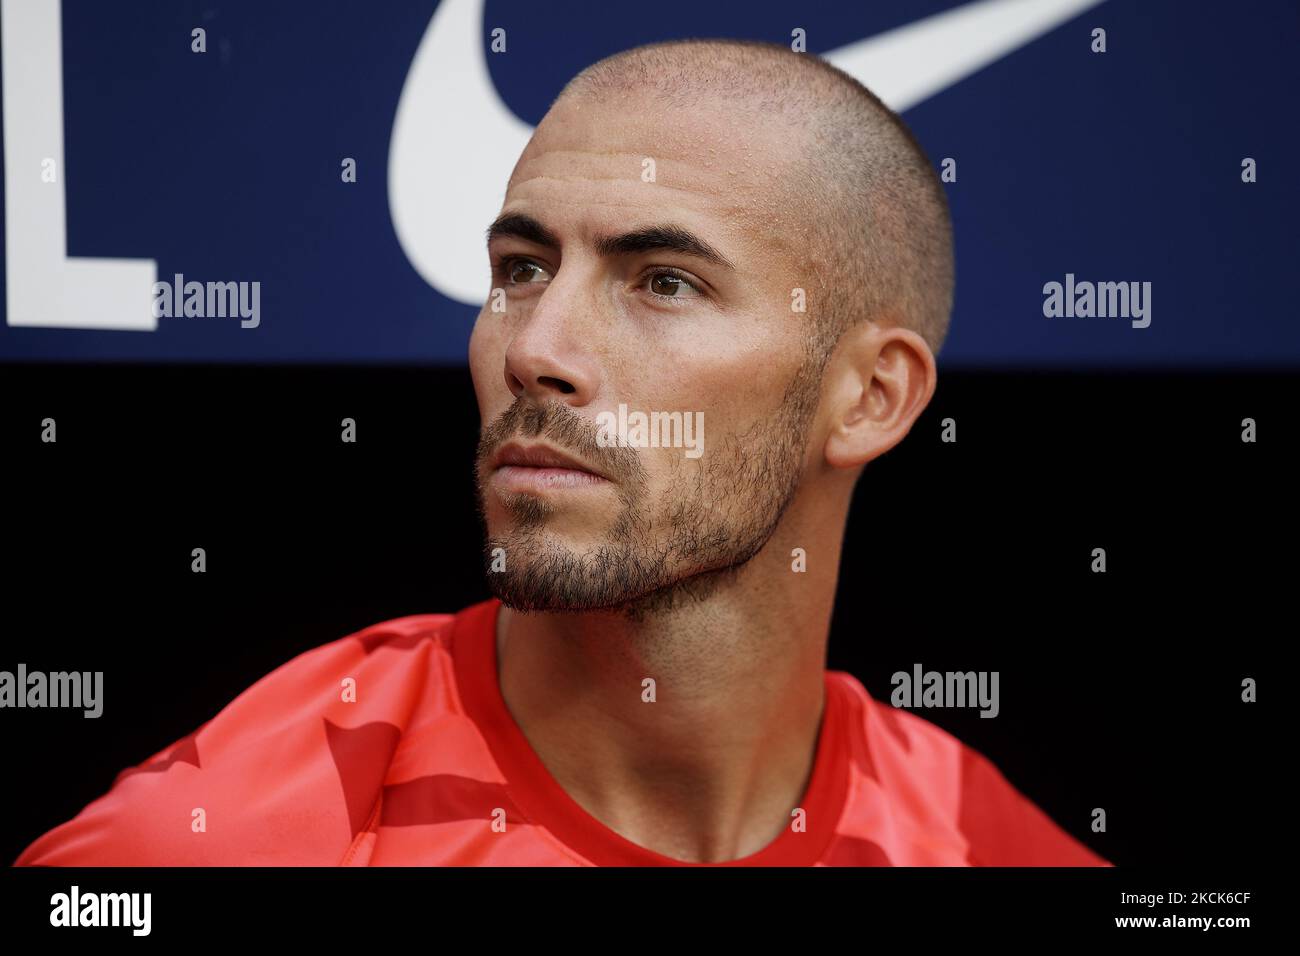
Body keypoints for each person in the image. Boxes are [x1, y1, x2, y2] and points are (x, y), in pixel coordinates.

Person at [15, 39, 1106, 867]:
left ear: (870, 396)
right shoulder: (223, 840)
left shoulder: (975, 841)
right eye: (522, 268)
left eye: (662, 281)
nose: (534, 349)